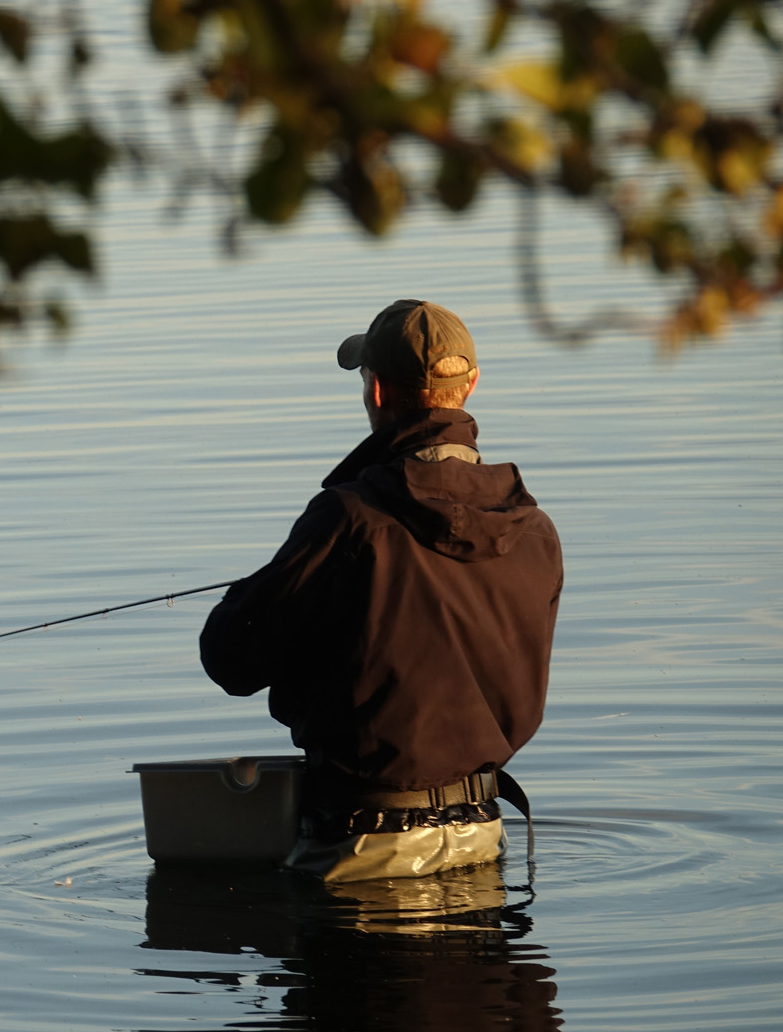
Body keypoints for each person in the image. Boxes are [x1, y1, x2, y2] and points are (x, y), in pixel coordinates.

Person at [199, 299, 562, 882]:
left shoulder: (346, 519)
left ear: (376, 392)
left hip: (363, 848)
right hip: (484, 840)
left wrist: (257, 589)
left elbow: (231, 662)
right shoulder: (534, 531)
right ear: (470, 385)